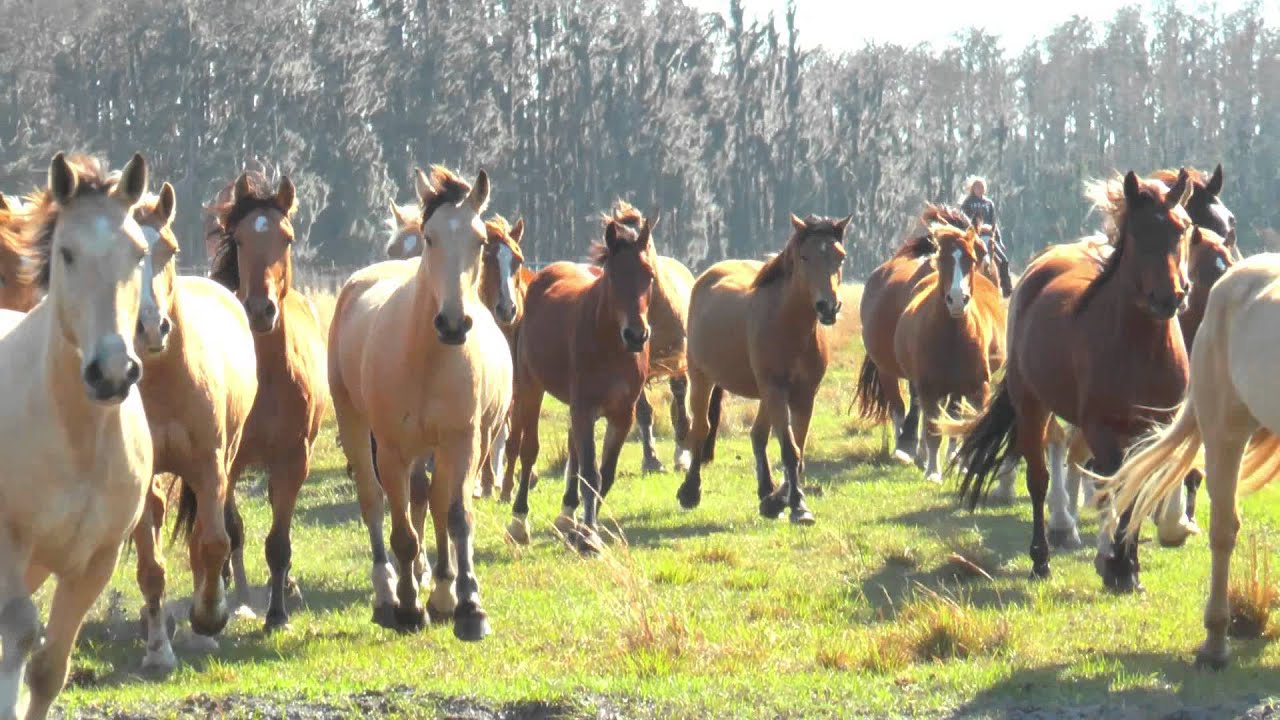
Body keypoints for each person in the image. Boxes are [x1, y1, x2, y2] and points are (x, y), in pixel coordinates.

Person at [961, 176, 1013, 296]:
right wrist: (977, 229)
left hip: (989, 237)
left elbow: (994, 223)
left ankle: (1006, 287)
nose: (979, 189)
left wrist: (999, 240)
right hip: (973, 237)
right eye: (977, 187)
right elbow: (963, 221)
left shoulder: (989, 203)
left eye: (982, 187)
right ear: (972, 188)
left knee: (1004, 260)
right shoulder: (967, 203)